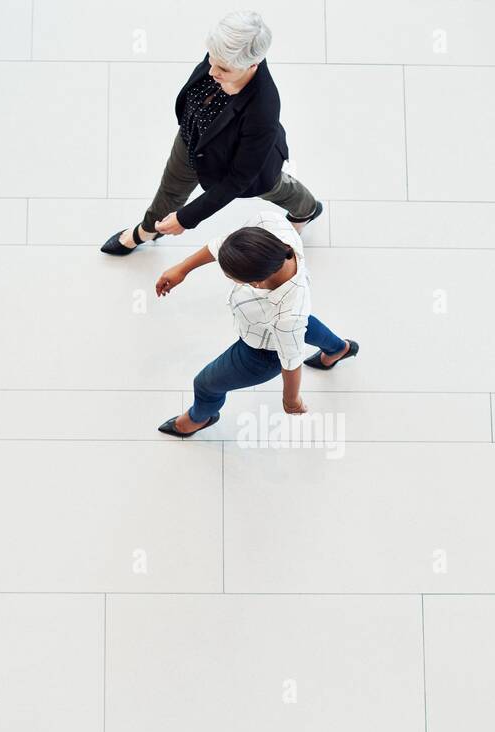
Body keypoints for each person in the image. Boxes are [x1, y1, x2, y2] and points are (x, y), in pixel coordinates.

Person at [101, 10, 322, 256]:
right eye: (211, 60)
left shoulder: (263, 108)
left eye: (223, 69)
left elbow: (239, 179)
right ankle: (146, 231)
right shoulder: (223, 56)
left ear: (252, 65)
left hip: (239, 163)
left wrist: (186, 218)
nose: (211, 71)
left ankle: (307, 209)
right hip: (192, 137)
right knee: (170, 191)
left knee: (276, 186)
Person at [154, 209, 358, 436]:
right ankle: (339, 349)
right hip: (283, 323)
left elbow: (291, 361)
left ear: (257, 283)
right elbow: (226, 244)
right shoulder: (269, 222)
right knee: (304, 325)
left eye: (232, 278)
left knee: (205, 384)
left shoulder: (287, 316)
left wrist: (291, 401)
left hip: (260, 353)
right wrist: (182, 269)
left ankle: (197, 418)